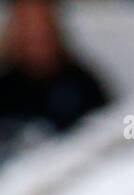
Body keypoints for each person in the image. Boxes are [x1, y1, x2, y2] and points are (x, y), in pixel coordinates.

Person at [0, 0, 109, 150]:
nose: (35, 34)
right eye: (27, 25)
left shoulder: (82, 84)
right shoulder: (5, 86)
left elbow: (114, 131)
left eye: (42, 26)